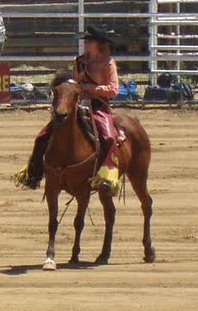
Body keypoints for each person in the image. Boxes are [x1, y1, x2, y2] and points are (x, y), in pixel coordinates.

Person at [22, 26, 124, 191]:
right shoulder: (79, 61)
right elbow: (75, 86)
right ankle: (34, 173)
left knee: (108, 138)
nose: (86, 43)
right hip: (79, 103)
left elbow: (113, 90)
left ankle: (107, 175)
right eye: (86, 40)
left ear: (98, 44)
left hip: (99, 105)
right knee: (43, 136)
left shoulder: (108, 63)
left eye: (89, 40)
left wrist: (89, 88)